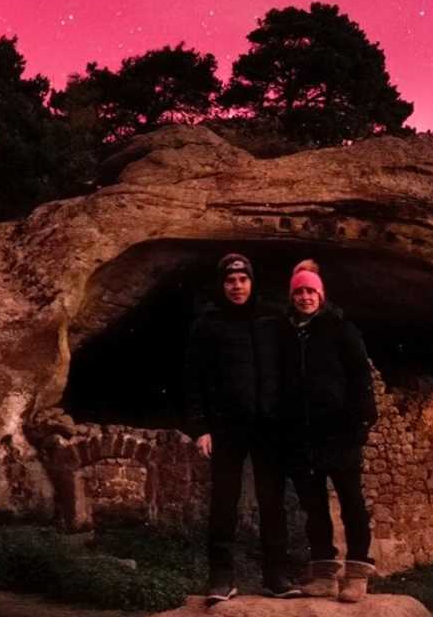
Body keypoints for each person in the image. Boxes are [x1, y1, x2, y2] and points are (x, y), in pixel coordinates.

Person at [182, 253, 294, 603]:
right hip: (226, 427)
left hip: (268, 427)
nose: (236, 286)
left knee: (272, 501)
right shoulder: (207, 324)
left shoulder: (271, 319)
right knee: (224, 503)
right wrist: (200, 427)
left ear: (251, 282)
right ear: (222, 285)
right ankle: (221, 578)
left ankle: (276, 577)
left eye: (242, 280)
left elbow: (288, 371)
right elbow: (193, 380)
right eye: (230, 281)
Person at [273, 259, 379, 603]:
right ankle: (324, 576)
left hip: (339, 432)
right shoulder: (287, 333)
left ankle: (357, 574)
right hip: (303, 435)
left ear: (321, 295)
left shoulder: (342, 329)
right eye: (299, 292)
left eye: (310, 291)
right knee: (314, 506)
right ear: (292, 297)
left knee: (351, 501)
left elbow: (361, 379)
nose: (305, 297)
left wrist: (360, 424)